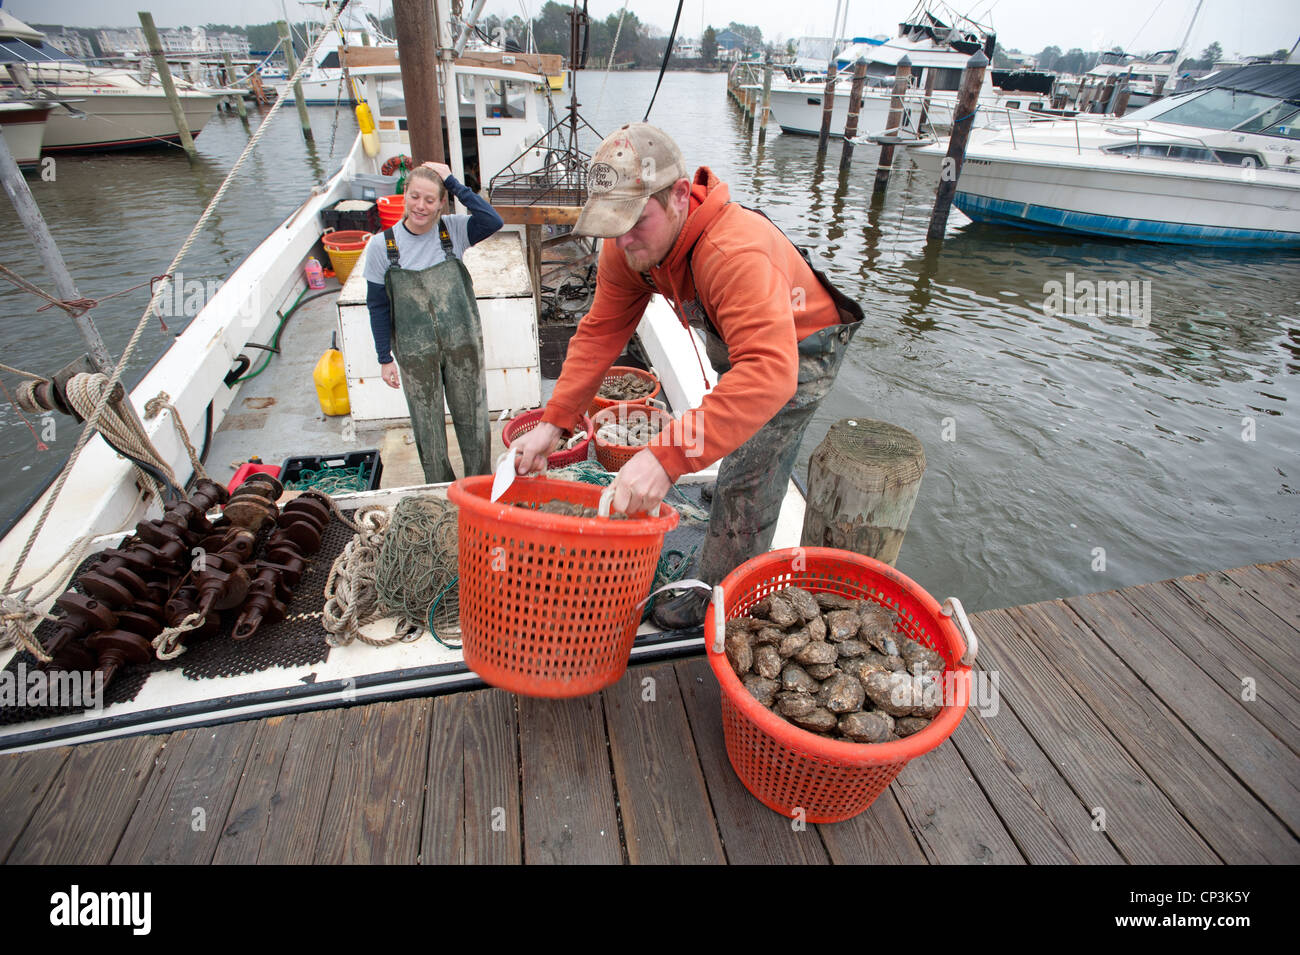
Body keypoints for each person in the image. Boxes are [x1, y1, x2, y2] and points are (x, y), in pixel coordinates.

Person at [513, 123, 864, 629]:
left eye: (636, 219)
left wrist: (666, 456)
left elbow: (770, 372)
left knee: (750, 478)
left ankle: (716, 599)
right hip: (741, 344)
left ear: (679, 195)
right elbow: (599, 333)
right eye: (612, 222)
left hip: (801, 350)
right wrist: (554, 421)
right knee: (729, 440)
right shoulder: (630, 247)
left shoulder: (732, 252)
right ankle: (725, 493)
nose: (624, 238)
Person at [361, 161, 504, 483]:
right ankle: (439, 487)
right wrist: (384, 358)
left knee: (474, 418)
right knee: (427, 424)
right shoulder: (382, 247)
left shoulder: (453, 230)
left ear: (441, 202)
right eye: (414, 197)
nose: (421, 206)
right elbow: (377, 305)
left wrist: (453, 181)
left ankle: (479, 484)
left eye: (430, 199)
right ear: (404, 197)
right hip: (414, 352)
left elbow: (492, 220)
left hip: (462, 345)